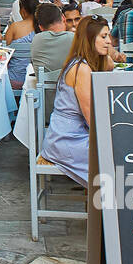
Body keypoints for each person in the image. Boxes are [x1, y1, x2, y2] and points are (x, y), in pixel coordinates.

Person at [41, 17, 115, 184]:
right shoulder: (81, 68)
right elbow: (91, 118)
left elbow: (110, 64)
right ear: (89, 38)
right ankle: (108, 205)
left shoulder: (85, 62)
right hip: (67, 139)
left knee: (118, 155)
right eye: (103, 37)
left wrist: (106, 53)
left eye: (109, 36)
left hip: (73, 134)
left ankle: (105, 205)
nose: (109, 41)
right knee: (117, 158)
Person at [29, 2, 76, 77]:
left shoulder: (36, 40)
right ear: (63, 18)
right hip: (70, 87)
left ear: (40, 27)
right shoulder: (74, 38)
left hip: (44, 88)